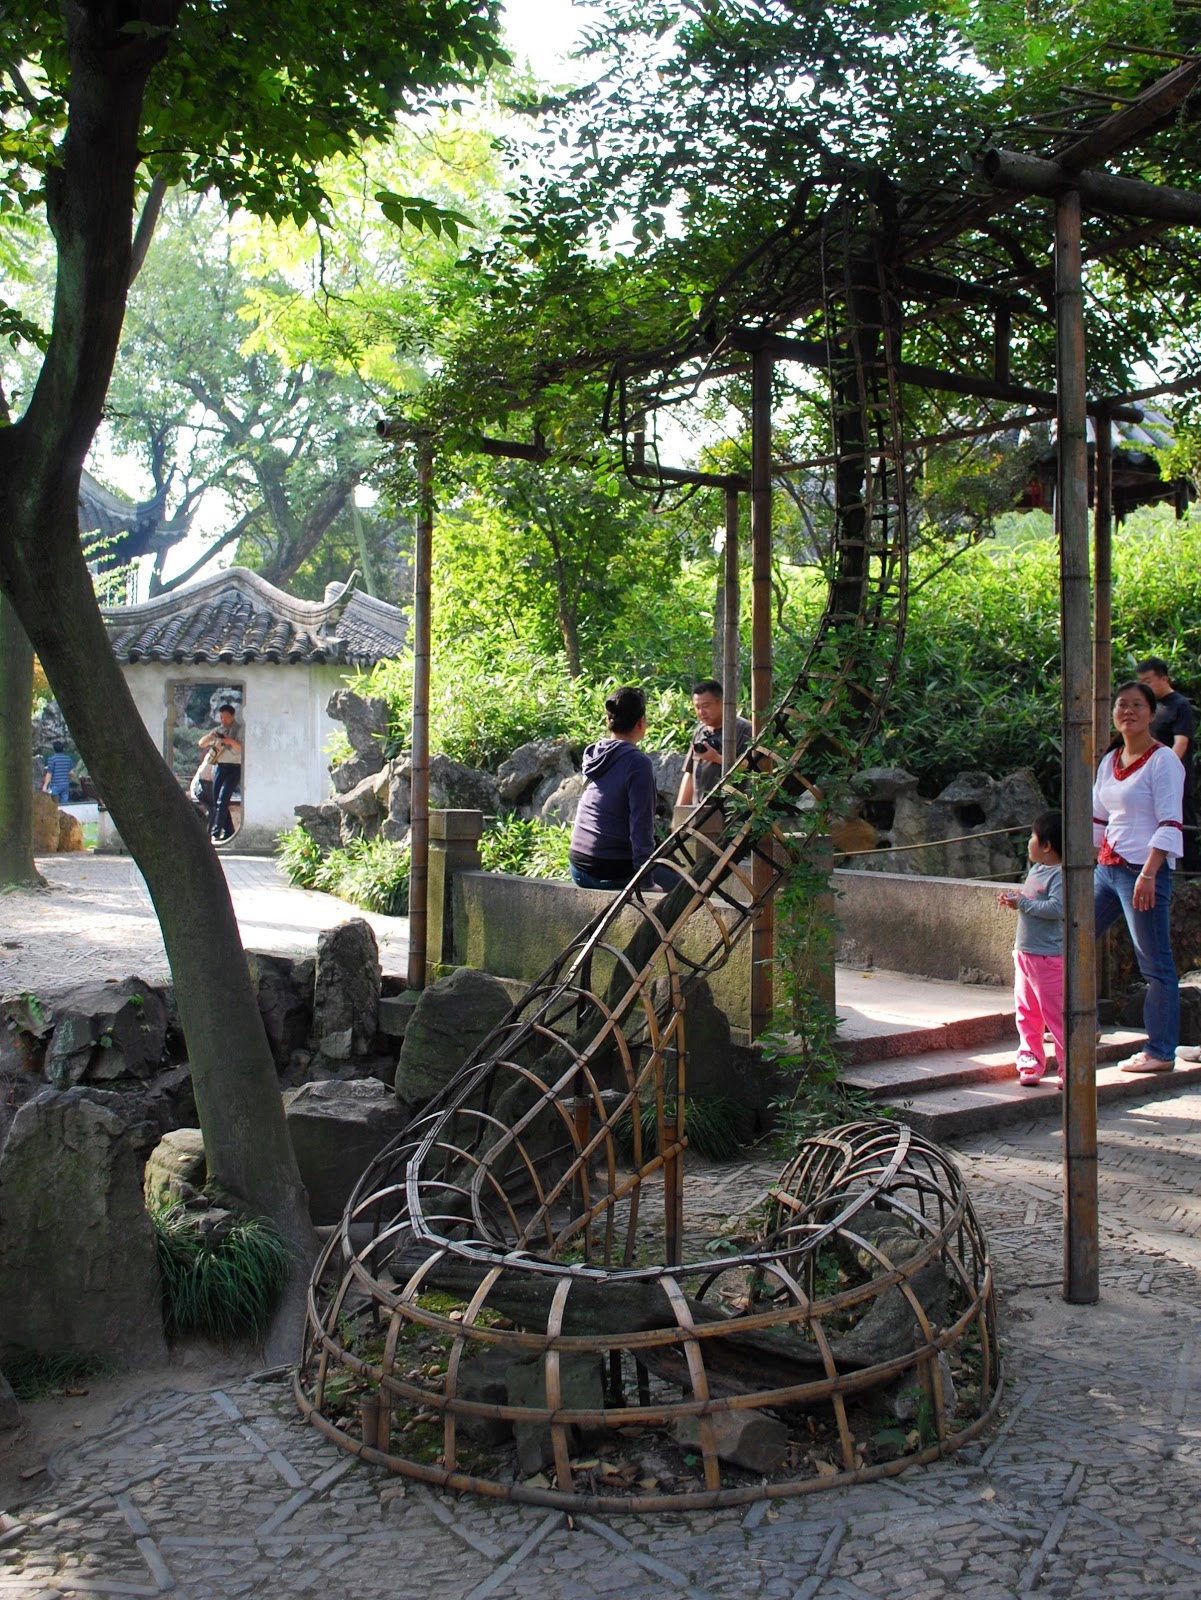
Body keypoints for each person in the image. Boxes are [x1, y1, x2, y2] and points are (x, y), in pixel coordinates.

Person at [1094, 680, 1184, 1073]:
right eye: (1121, 705)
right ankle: (1079, 1024)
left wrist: (1150, 873)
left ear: (1151, 713)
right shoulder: (1109, 759)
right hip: (1105, 868)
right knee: (1071, 940)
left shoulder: (1164, 760)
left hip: (1141, 871)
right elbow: (1099, 818)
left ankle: (1161, 1051)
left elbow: (1169, 821)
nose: (1127, 712)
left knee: (1154, 962)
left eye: (1137, 705)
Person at [569, 685, 667, 891]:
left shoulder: (596, 754)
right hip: (608, 869)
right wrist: (646, 883)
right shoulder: (638, 763)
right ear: (641, 723)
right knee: (687, 889)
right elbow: (641, 827)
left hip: (577, 866)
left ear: (608, 721)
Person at [998, 811, 1064, 1087]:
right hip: (1025, 952)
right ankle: (1030, 1060)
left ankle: (1068, 1066)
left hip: (1048, 957)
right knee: (1026, 1012)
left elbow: (1057, 908)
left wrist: (1022, 904)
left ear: (1047, 845)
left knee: (1057, 1016)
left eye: (1033, 836)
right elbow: (1032, 900)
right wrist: (1016, 899)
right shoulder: (1036, 870)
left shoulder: (1060, 874)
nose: (1029, 841)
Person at [1136, 656, 1197, 873]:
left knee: (1183, 823)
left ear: (1164, 679)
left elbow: (1181, 743)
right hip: (1146, 777)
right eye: (1140, 682)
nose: (1144, 686)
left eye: (1148, 681)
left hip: (1176, 777)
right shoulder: (1148, 708)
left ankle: (1191, 874)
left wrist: (1162, 770)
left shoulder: (1180, 706)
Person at [675, 679, 753, 806]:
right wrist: (679, 813)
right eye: (697, 707)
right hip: (699, 811)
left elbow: (749, 767)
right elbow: (690, 774)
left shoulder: (743, 729)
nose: (701, 712)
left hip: (731, 812)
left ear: (722, 703)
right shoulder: (700, 731)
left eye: (706, 706)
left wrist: (716, 758)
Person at [198, 703, 243, 843]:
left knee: (223, 798)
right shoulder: (220, 729)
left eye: (227, 717)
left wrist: (229, 740)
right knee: (218, 799)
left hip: (234, 767)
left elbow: (240, 748)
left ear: (233, 716)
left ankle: (216, 831)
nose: (224, 720)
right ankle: (228, 830)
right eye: (222, 717)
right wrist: (211, 736)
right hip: (220, 766)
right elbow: (201, 743)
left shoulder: (238, 730)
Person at [41, 741, 75, 806]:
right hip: (65, 785)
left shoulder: (52, 759)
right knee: (65, 806)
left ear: (54, 749)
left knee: (54, 805)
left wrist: (45, 785)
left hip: (55, 785)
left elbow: (49, 773)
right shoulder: (68, 759)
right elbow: (71, 773)